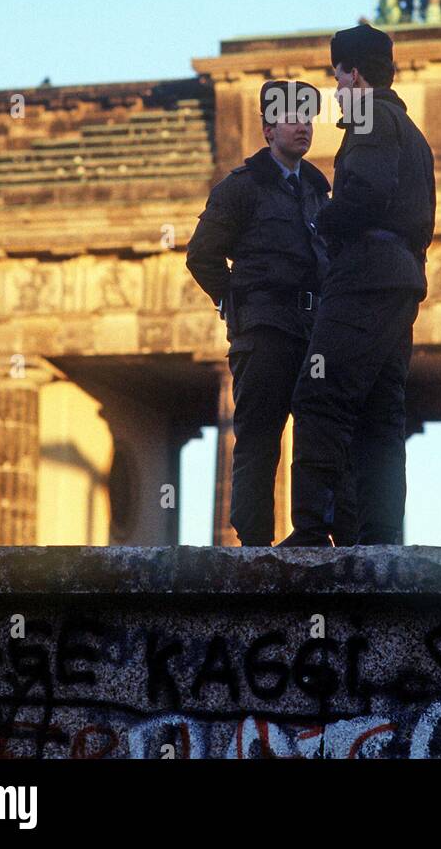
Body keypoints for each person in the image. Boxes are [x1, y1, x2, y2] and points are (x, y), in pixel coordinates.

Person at [279, 24, 436, 547]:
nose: (336, 90)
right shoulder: (414, 134)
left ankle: (310, 529)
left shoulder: (367, 115)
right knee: (381, 412)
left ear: (354, 73)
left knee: (319, 393)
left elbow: (365, 193)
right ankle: (381, 535)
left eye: (337, 76)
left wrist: (321, 222)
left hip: (363, 277)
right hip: (402, 280)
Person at [186, 79, 356, 546]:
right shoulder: (241, 189)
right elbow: (202, 255)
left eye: (308, 117)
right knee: (260, 436)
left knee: (321, 432)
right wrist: (236, 305)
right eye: (291, 117)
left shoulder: (319, 192)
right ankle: (255, 545)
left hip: (311, 331)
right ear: (267, 129)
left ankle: (318, 532)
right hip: (264, 330)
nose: (302, 127)